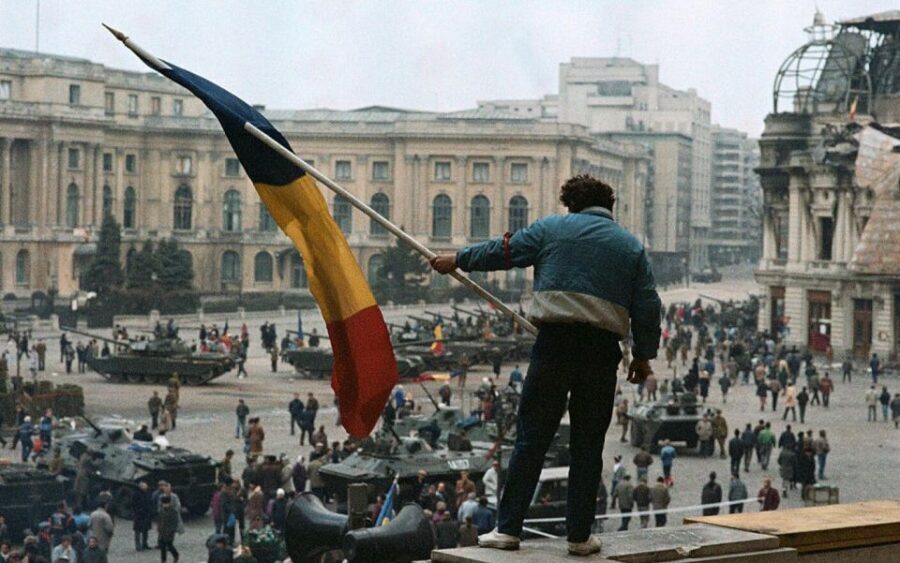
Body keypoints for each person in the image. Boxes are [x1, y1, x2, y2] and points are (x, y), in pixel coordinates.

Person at [430, 175, 661, 556]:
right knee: (588, 445)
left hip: (553, 346)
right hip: (601, 352)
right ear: (610, 207)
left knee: (531, 439)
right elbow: (648, 306)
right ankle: (579, 538)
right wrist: (642, 357)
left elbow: (503, 252)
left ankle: (508, 529)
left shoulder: (552, 229)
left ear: (570, 204)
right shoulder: (631, 247)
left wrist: (457, 260)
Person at [156, 495, 180, 563]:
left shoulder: (173, 511)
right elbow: (159, 519)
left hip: (170, 532)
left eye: (166, 503)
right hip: (162, 531)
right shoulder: (161, 511)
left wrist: (172, 530)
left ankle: (176, 555)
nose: (164, 505)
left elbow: (175, 522)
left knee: (169, 545)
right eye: (163, 503)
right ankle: (163, 560)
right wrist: (159, 527)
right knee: (162, 546)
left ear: (169, 503)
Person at [131, 482, 153, 551]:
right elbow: (133, 504)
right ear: (141, 487)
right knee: (137, 531)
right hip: (139, 515)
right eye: (145, 487)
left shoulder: (147, 493)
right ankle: (138, 546)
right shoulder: (136, 494)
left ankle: (144, 544)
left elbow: (149, 502)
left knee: (145, 531)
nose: (146, 488)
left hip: (146, 515)